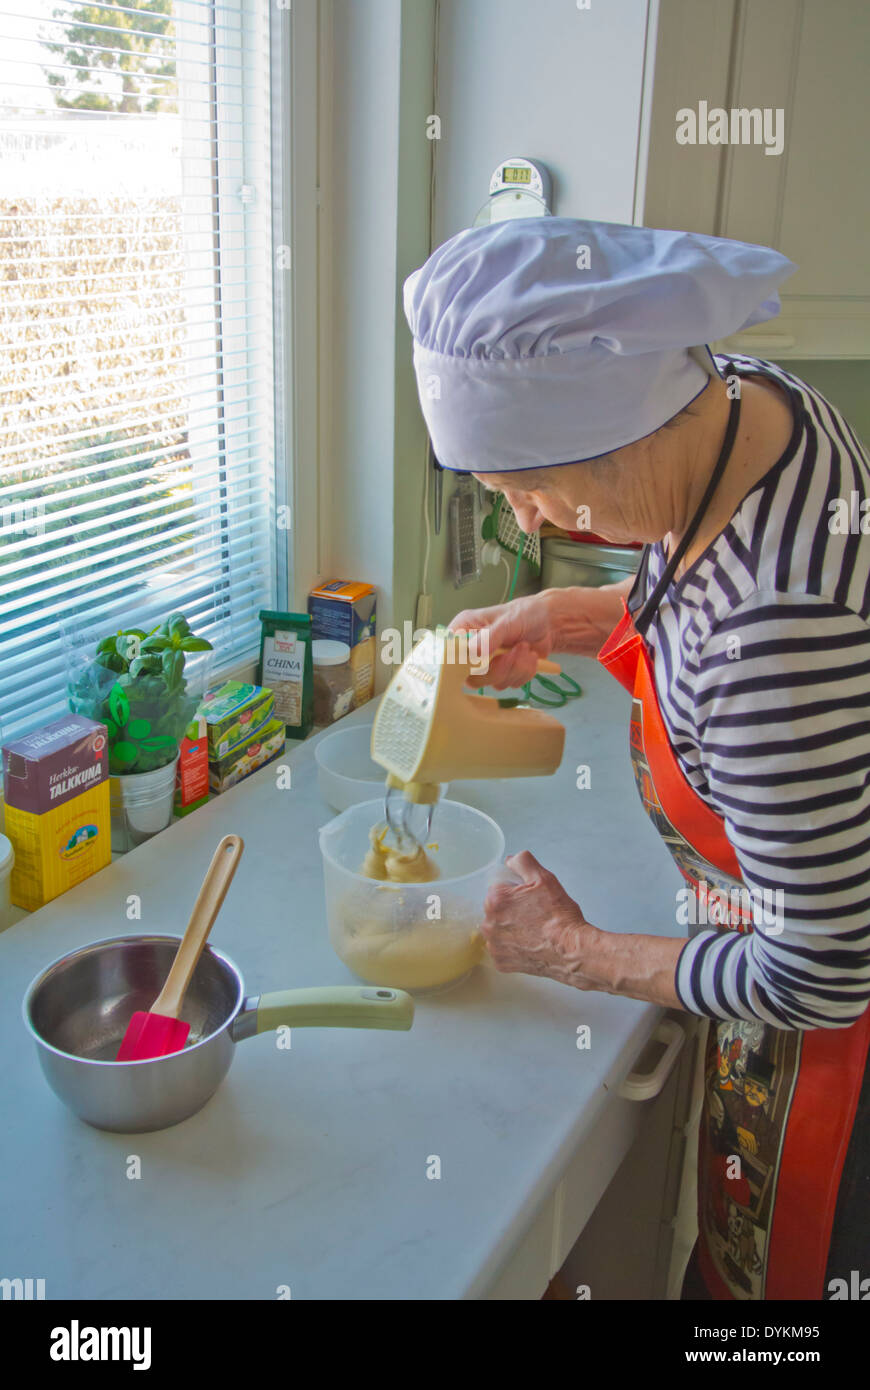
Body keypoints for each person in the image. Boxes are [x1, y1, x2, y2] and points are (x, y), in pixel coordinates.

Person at [403, 217, 870, 1301]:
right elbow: (708, 585)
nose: (524, 520)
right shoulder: (742, 403)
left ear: (622, 428)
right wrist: (579, 613)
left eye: (532, 489)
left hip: (839, 1068)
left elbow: (826, 972)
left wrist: (578, 951)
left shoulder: (774, 639)